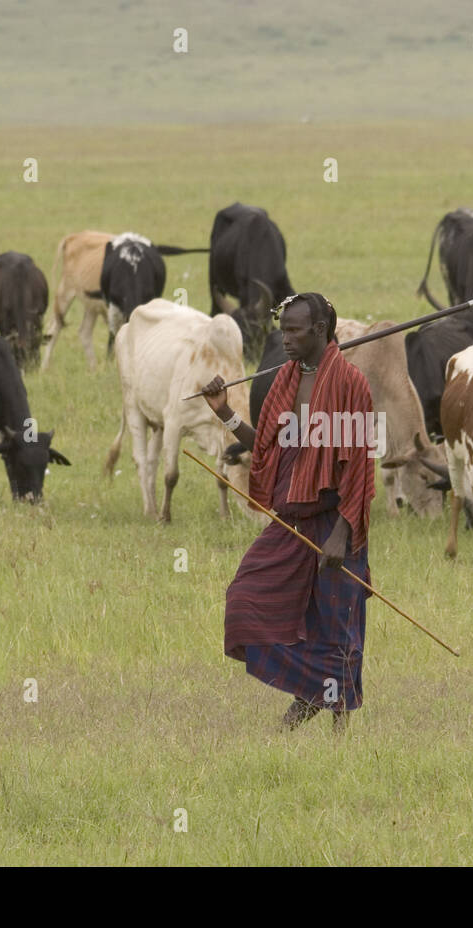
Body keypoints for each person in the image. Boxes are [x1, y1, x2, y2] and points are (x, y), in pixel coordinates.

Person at [200, 293, 375, 731]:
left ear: (320, 331)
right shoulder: (285, 379)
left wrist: (342, 533)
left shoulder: (351, 384)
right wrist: (224, 414)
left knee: (337, 628)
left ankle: (337, 725)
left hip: (335, 522)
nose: (286, 339)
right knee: (245, 600)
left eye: (295, 331)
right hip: (290, 520)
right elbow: (266, 446)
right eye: (283, 330)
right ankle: (311, 694)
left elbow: (358, 465)